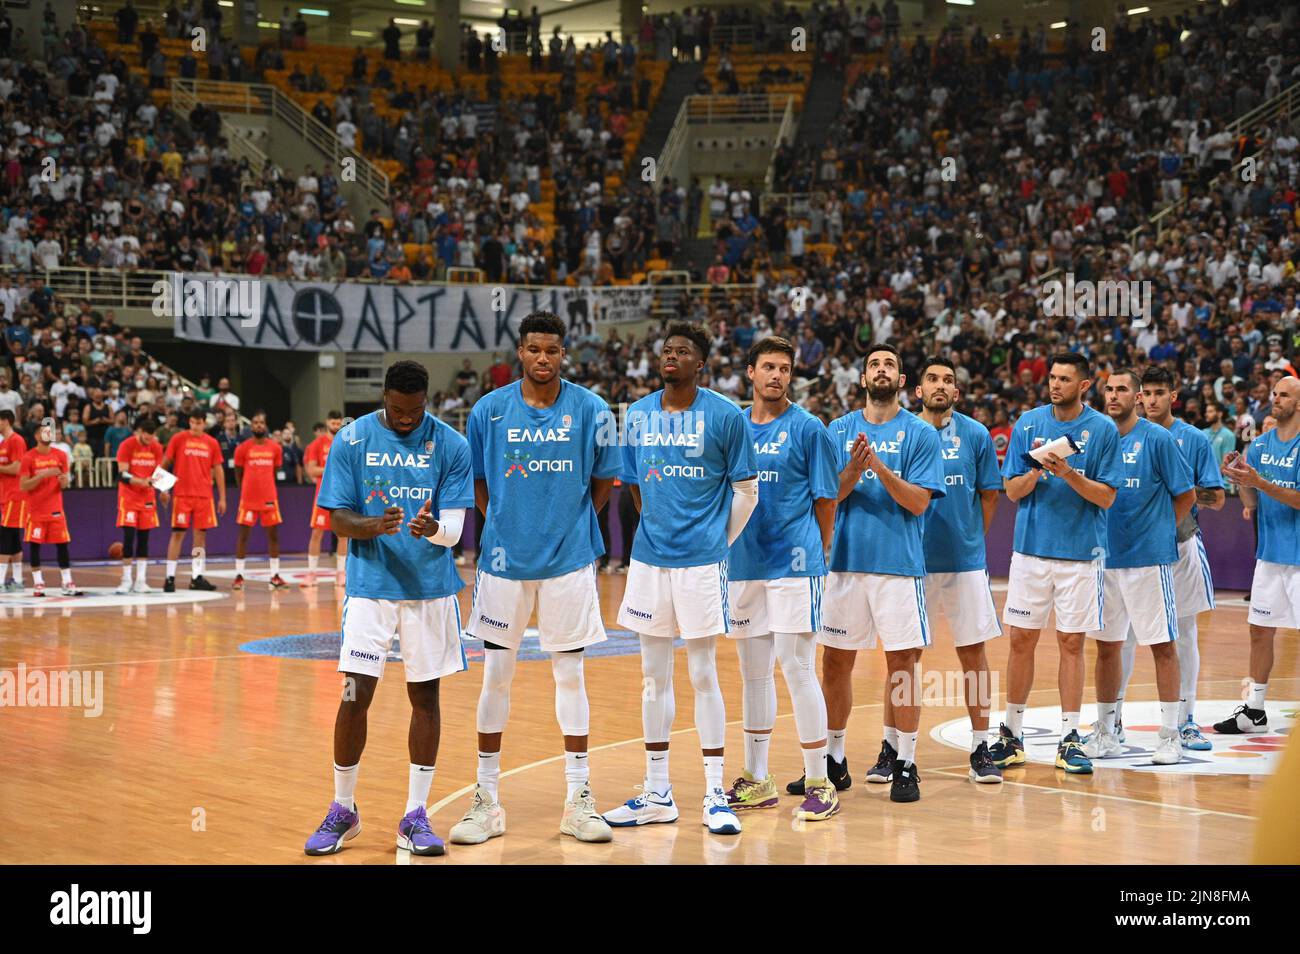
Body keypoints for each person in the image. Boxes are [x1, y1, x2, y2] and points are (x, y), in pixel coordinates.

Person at [450, 311, 619, 847]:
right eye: (533, 349)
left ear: (563, 353)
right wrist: (509, 524)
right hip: (503, 564)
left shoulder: (592, 410)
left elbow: (602, 483)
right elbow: (478, 484)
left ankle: (579, 798)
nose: (542, 358)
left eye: (552, 350)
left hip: (569, 561)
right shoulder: (488, 411)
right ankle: (486, 798)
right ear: (518, 353)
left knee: (570, 676)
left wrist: (567, 527)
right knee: (495, 675)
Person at [303, 361, 474, 857]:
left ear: (427, 400)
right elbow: (337, 519)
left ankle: (415, 815)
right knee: (354, 695)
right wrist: (373, 525)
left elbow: (456, 532)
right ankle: (343, 809)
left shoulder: (451, 445)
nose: (405, 419)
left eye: (415, 411)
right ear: (383, 397)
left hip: (430, 592)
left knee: (426, 699)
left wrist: (431, 530)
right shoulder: (352, 440)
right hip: (371, 591)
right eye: (398, 410)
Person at [601, 322, 758, 835]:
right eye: (666, 351)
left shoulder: (726, 416)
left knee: (704, 673)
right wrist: (657, 528)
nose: (671, 357)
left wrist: (716, 543)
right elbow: (634, 488)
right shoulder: (639, 414)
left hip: (701, 563)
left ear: (701, 363)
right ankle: (657, 792)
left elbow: (747, 492)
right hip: (649, 561)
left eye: (683, 351)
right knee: (653, 677)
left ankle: (715, 792)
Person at [816, 343, 944, 803]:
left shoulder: (921, 434)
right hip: (845, 564)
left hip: (899, 567)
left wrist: (880, 468)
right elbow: (829, 495)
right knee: (834, 662)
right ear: (863, 379)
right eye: (874, 364)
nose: (882, 369)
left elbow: (918, 501)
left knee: (902, 665)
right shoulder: (837, 430)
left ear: (902, 380)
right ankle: (834, 760)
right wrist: (853, 468)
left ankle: (906, 763)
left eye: (890, 364)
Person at [724, 336, 840, 821]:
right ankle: (757, 778)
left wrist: (818, 551)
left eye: (785, 369)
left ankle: (819, 780)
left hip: (795, 565)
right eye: (768, 367)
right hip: (743, 564)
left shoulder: (810, 428)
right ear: (749, 372)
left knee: (796, 666)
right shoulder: (732, 427)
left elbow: (826, 499)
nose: (777, 375)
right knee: (754, 674)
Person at [991, 352, 1122, 775]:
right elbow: (1011, 492)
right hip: (1030, 552)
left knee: (1072, 643)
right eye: (1052, 378)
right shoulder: (1028, 423)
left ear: (1085, 385)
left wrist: (1068, 473)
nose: (1055, 385)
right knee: (1020, 641)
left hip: (1082, 556)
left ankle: (1069, 737)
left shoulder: (1102, 430)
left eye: (1065, 379)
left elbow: (1106, 496)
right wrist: (1037, 471)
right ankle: (1011, 734)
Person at [1083, 370, 1194, 766]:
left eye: (1123, 389)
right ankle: (1107, 730)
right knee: (1107, 648)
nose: (1114, 395)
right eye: (1109, 389)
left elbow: (1186, 494)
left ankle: (1170, 734)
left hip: (1148, 560)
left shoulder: (1157, 439)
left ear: (1138, 397)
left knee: (1162, 645)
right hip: (1104, 559)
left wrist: (1160, 532)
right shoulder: (1096, 436)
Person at [914, 357, 1004, 783]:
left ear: (957, 392)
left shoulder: (975, 434)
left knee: (973, 654)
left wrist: (970, 538)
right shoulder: (903, 430)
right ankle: (893, 747)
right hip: (911, 561)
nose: (940, 385)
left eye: (948, 380)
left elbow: (990, 496)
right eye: (932, 379)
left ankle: (981, 745)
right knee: (904, 655)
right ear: (918, 389)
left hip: (964, 563)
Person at [1125, 367, 1225, 749]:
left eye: (1158, 393)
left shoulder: (1193, 439)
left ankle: (1186, 720)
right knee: (1125, 636)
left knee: (1184, 634)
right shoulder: (1122, 434)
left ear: (1174, 396)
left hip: (1181, 543)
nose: (1150, 400)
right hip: (1135, 549)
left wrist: (1176, 492)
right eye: (1145, 393)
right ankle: (1112, 719)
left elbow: (1216, 498)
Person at [1219, 376, 1300, 736]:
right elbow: (1252, 501)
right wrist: (1239, 480)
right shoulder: (1262, 443)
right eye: (1274, 394)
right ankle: (1254, 711)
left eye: (1283, 395)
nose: (1275, 400)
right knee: (1259, 631)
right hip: (1270, 555)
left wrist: (1260, 482)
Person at [161, 409, 225, 592]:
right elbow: (165, 462)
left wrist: (222, 497)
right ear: (189, 422)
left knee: (200, 537)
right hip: (182, 494)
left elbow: (218, 469)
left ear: (204, 423)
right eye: (193, 422)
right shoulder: (179, 439)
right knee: (177, 534)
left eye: (199, 423)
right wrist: (163, 488)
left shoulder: (212, 443)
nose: (195, 426)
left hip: (204, 496)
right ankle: (169, 577)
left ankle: (196, 577)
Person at [18, 419, 83, 597]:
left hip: (55, 508)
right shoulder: (28, 457)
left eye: (50, 431)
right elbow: (24, 486)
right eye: (44, 432)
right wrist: (44, 474)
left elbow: (65, 484)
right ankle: (38, 583)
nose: (48, 434)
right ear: (36, 435)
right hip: (36, 510)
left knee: (62, 545)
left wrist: (64, 481)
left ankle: (67, 581)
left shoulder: (60, 455)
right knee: (35, 546)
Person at [231, 411, 289, 591]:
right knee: (243, 536)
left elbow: (275, 471)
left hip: (269, 498)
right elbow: (238, 472)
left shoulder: (275, 448)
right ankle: (239, 576)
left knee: (273, 536)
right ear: (251, 426)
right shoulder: (242, 448)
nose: (258, 425)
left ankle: (275, 575)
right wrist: (245, 489)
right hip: (248, 498)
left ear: (265, 426)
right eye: (255, 422)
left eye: (261, 423)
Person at [114, 417, 167, 594]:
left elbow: (158, 474)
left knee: (144, 539)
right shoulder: (127, 445)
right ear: (139, 432)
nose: (149, 440)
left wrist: (164, 491)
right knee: (129, 538)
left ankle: (141, 580)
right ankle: (126, 579)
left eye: (152, 437)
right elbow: (122, 474)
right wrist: (141, 481)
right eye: (146, 436)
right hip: (129, 497)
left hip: (147, 498)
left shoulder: (157, 448)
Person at [303, 412, 346, 587]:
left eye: (338, 422)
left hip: (342, 494)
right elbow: (312, 471)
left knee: (343, 534)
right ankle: (312, 573)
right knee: (316, 533)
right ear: (327, 422)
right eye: (333, 422)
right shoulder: (317, 445)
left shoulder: (345, 442)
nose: (335, 425)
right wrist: (333, 467)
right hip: (323, 495)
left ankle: (341, 574)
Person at [0, 409, 26, 590]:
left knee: (5, 536)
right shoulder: (3, 443)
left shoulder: (16, 441)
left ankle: (1, 581)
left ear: (5, 421)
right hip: (5, 494)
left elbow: (17, 469)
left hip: (14, 495)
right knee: (14, 537)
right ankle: (17, 580)